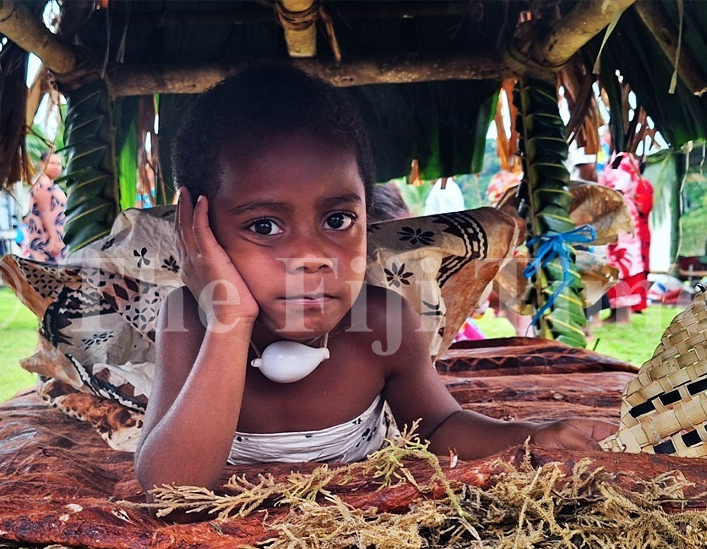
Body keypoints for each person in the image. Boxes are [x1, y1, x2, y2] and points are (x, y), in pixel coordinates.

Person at [133, 65, 615, 494]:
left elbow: (440, 425)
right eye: (264, 226)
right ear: (196, 230)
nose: (312, 257)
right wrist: (231, 323)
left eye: (338, 219)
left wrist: (529, 436)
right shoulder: (191, 320)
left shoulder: (382, 321)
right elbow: (169, 487)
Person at [599, 152, 649, 322]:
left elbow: (617, 189)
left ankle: (622, 315)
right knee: (618, 262)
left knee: (622, 263)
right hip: (619, 214)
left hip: (618, 213)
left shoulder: (622, 157)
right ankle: (617, 313)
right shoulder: (618, 157)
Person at [21, 150, 67, 262]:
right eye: (51, 163)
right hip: (46, 241)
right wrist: (54, 239)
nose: (56, 167)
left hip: (53, 238)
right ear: (42, 164)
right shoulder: (42, 183)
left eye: (58, 164)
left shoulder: (49, 183)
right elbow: (44, 212)